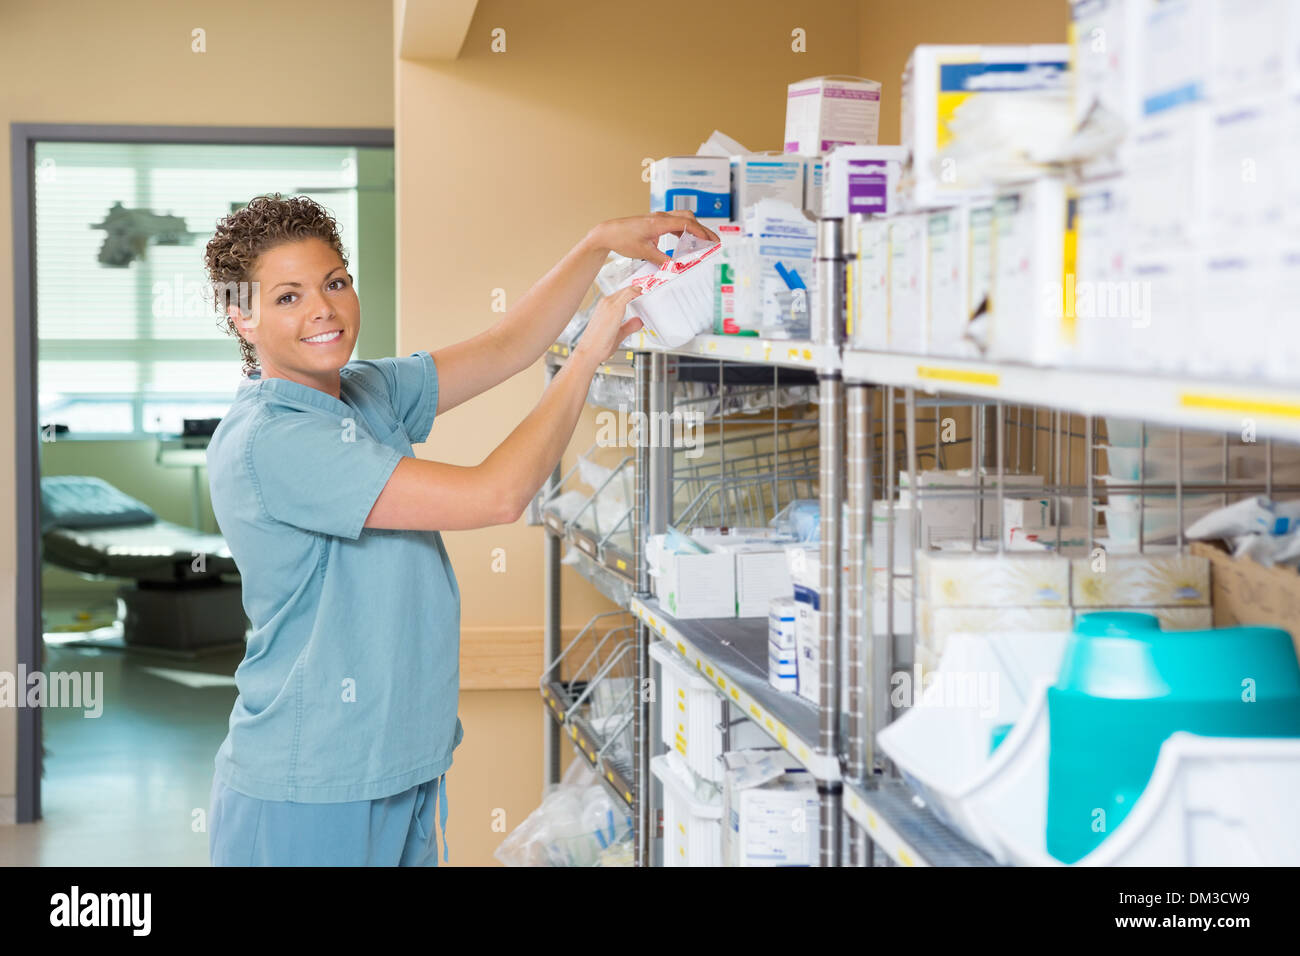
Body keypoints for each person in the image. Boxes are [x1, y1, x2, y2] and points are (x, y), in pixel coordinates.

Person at [201, 192, 717, 865]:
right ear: (243, 318)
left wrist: (596, 246)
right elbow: (496, 495)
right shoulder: (275, 440)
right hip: (314, 785)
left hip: (400, 766)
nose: (324, 309)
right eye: (288, 297)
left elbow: (508, 345)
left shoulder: (363, 391)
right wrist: (586, 357)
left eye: (334, 283)